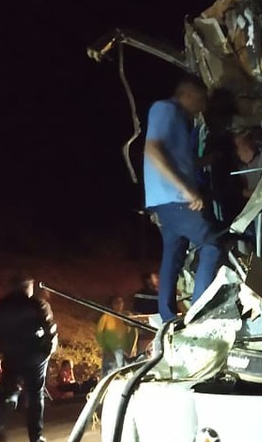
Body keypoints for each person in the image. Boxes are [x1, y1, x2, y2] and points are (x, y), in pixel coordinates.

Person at [142, 74, 221, 324]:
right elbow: (152, 150)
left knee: (173, 255)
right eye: (201, 100)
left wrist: (206, 161)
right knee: (211, 244)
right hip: (174, 197)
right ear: (189, 94)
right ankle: (198, 312)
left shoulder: (180, 121)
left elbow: (179, 162)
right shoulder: (165, 109)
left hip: (167, 199)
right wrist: (186, 190)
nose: (203, 107)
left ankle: (167, 317)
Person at [0, 276, 58, 442]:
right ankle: (35, 435)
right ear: (27, 287)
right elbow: (50, 328)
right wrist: (48, 349)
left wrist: (4, 338)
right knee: (35, 393)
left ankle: (0, 415)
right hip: (35, 354)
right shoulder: (37, 305)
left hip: (12, 353)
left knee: (9, 387)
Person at [95, 295, 136, 376]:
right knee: (108, 372)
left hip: (123, 350)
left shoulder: (126, 317)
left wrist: (131, 348)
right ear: (112, 305)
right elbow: (99, 333)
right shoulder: (106, 317)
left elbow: (133, 333)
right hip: (109, 350)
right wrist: (105, 346)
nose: (119, 305)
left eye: (121, 302)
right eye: (116, 303)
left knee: (122, 371)